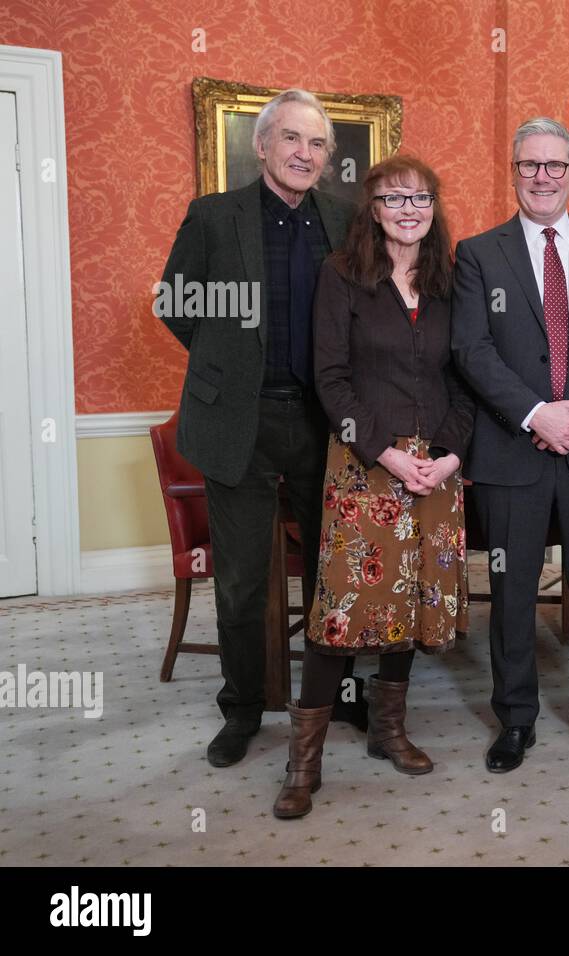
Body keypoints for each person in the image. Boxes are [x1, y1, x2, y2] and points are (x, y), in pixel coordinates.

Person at [157, 89, 356, 768]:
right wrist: (226, 366)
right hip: (237, 421)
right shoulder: (214, 216)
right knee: (242, 580)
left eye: (317, 144)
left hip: (322, 421)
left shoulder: (343, 218)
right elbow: (177, 304)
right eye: (292, 139)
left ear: (327, 158)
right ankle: (243, 708)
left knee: (335, 573)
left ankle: (338, 694)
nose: (304, 153)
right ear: (263, 144)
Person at [272, 155, 474, 818]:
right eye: (394, 199)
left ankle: (388, 730)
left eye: (420, 198)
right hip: (365, 465)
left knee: (408, 606)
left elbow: (468, 377)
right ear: (373, 209)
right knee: (342, 613)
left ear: (433, 208)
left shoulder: (452, 280)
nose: (409, 210)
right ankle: (304, 763)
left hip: (436, 470)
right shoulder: (342, 276)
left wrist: (447, 456)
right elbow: (328, 377)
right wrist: (385, 452)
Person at [451, 117, 569, 773]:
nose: (542, 176)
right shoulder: (478, 254)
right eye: (530, 165)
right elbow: (471, 350)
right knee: (512, 593)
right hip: (512, 453)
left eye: (555, 166)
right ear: (514, 173)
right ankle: (516, 719)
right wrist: (537, 414)